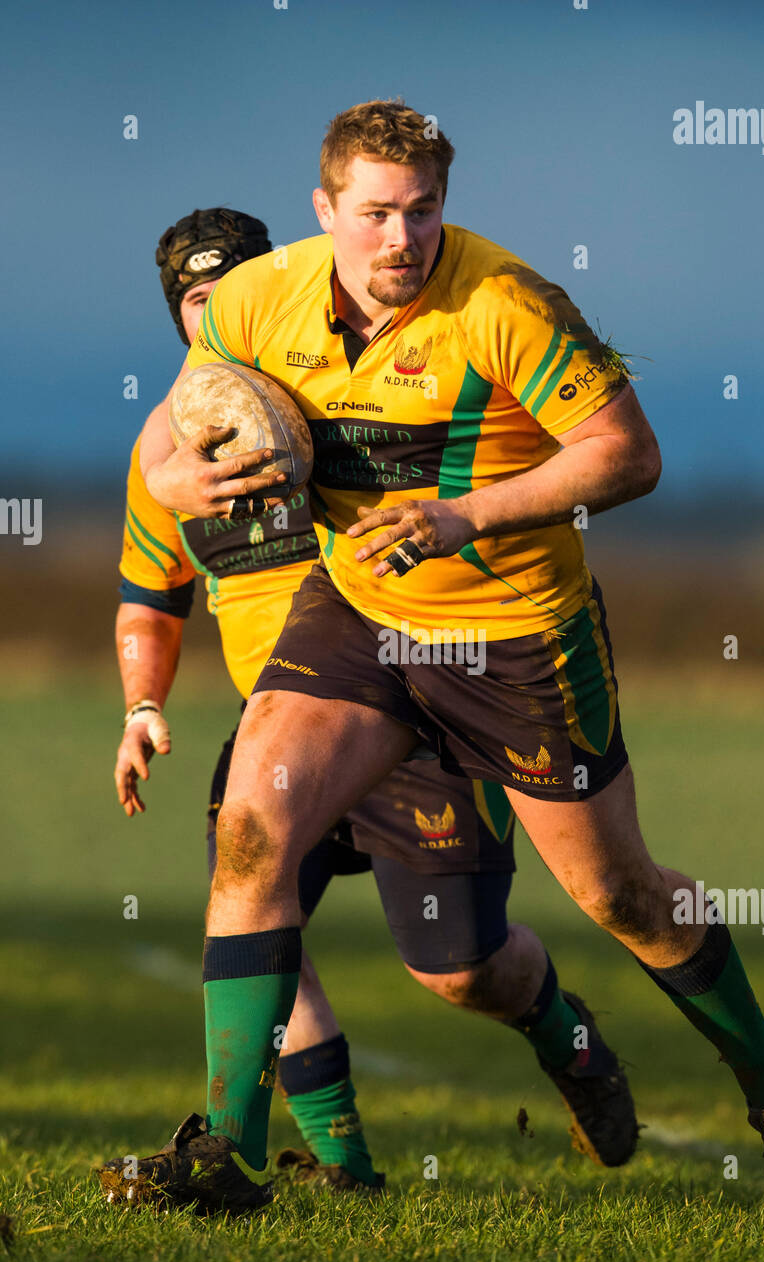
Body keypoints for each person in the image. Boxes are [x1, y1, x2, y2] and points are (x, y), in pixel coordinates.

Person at [122, 101, 764, 1224]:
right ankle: (231, 1155)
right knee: (251, 827)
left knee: (617, 892)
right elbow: (183, 418)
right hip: (358, 610)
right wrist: (174, 484)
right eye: (372, 215)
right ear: (324, 212)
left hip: (511, 632)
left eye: (420, 213)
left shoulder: (504, 303)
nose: (398, 242)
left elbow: (628, 455)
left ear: (443, 206)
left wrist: (467, 516)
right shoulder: (262, 298)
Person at [98, 204, 638, 1210]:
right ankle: (315, 1168)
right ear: (179, 320)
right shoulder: (171, 452)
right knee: (254, 908)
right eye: (195, 302)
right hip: (282, 725)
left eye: (235, 291)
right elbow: (148, 599)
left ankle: (566, 1035)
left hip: (414, 711)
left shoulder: (355, 405)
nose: (218, 315)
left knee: (460, 968)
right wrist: (140, 704)